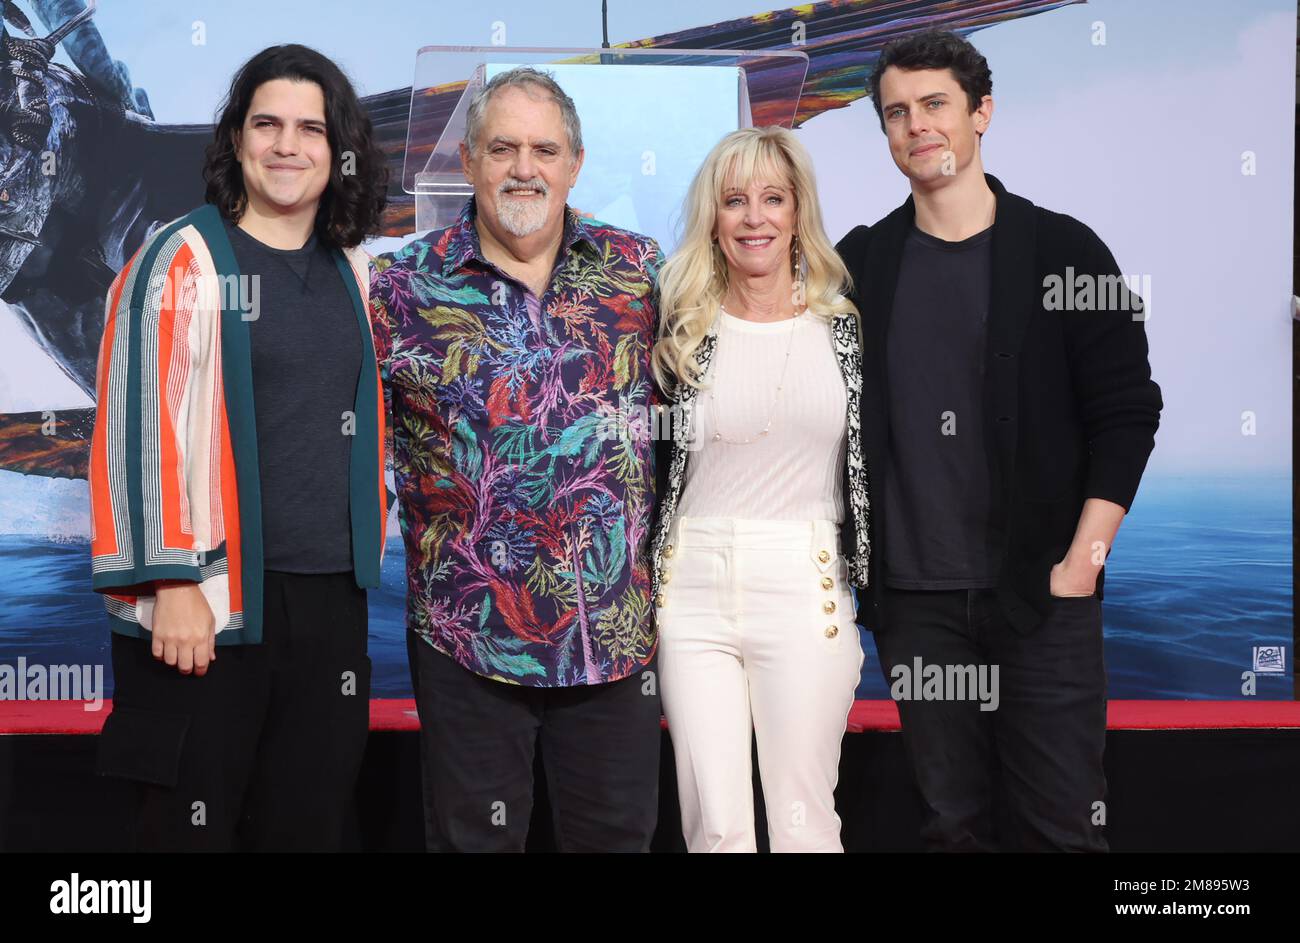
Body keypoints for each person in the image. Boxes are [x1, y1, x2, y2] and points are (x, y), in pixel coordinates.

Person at [836, 29, 1162, 851]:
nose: (917, 126)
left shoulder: (1065, 250)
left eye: (935, 104)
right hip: (917, 607)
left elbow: (1128, 411)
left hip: (1042, 600)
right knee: (952, 826)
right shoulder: (859, 266)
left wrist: (1081, 564)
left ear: (982, 112)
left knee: (1063, 827)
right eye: (896, 113)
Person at [89, 44, 390, 851]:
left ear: (340, 149)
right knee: (186, 829)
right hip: (210, 604)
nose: (287, 145)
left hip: (330, 602)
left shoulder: (350, 269)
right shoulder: (178, 258)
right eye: (266, 124)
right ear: (236, 138)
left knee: (311, 826)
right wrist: (171, 578)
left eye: (309, 128)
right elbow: (134, 427)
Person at [370, 66, 663, 852]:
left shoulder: (641, 273)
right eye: (502, 148)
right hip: (468, 642)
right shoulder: (400, 286)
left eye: (544, 149)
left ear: (575, 163)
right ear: (467, 161)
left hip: (615, 638)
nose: (524, 168)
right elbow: (352, 455)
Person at [649, 126, 870, 852]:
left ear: (798, 209)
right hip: (693, 589)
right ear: (713, 216)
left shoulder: (845, 327)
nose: (754, 218)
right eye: (735, 200)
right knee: (715, 827)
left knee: (804, 822)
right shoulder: (679, 327)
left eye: (773, 199)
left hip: (806, 582)